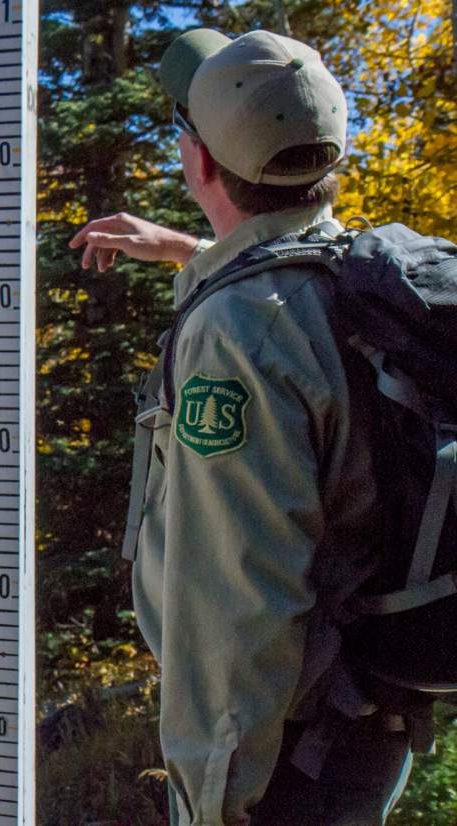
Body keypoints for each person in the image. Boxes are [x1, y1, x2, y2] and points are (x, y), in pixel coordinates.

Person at [70, 30, 419, 826]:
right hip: (365, 728)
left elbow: (236, 610)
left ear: (197, 163)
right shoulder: (356, 276)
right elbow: (288, 292)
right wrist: (193, 250)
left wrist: (212, 806)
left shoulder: (236, 335)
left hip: (283, 766)